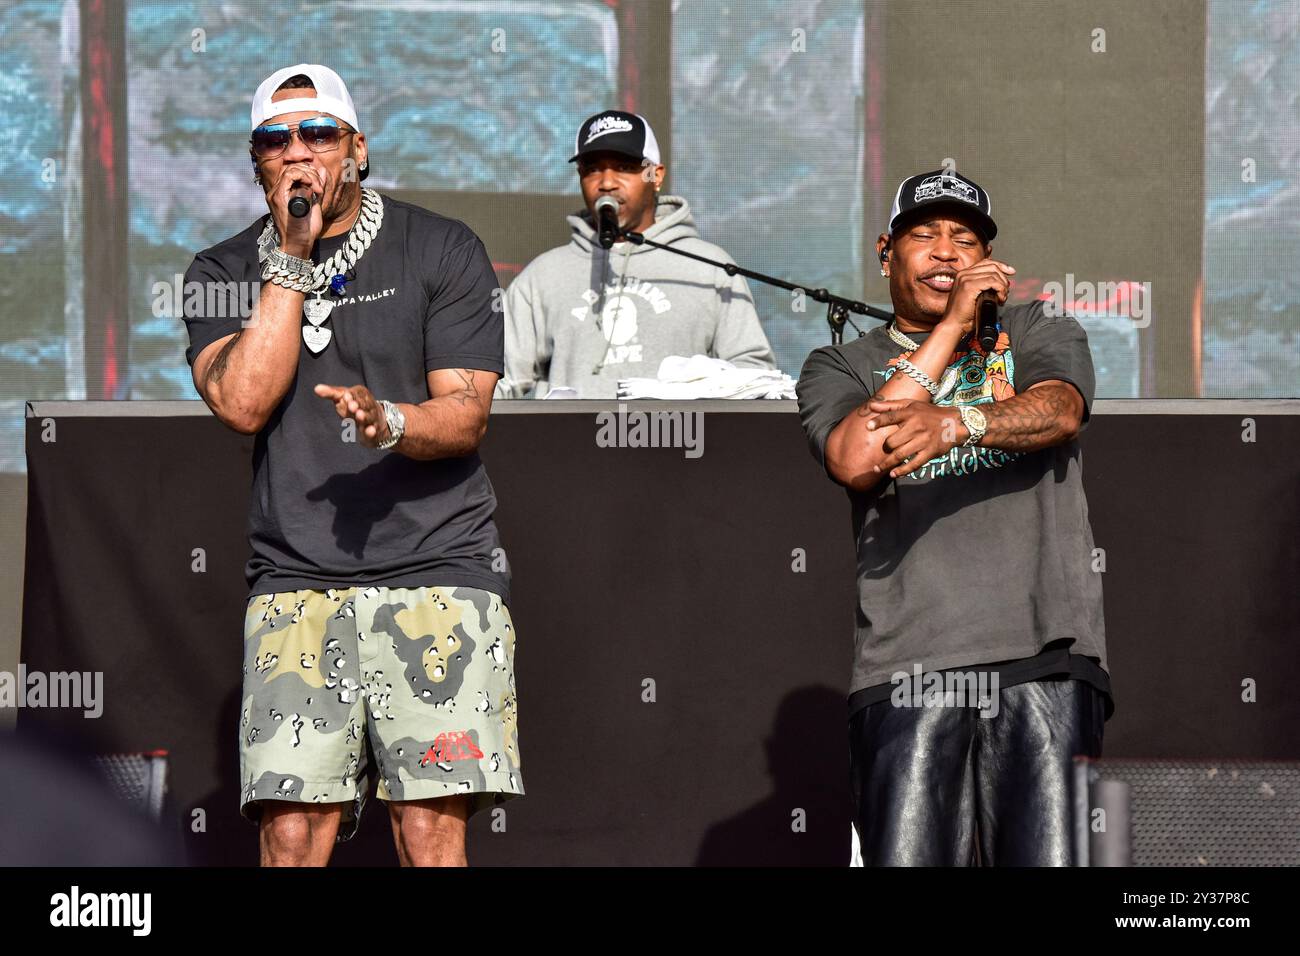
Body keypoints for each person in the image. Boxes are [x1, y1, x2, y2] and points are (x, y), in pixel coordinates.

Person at [180, 63, 521, 866]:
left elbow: (466, 413)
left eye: (318, 133)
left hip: (437, 568)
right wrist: (291, 258)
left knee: (429, 829)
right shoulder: (221, 272)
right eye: (276, 139)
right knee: (293, 834)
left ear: (358, 148)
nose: (298, 152)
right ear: (256, 162)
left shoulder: (441, 247)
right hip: (296, 578)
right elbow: (242, 403)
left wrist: (390, 421)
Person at [796, 169, 1112, 866]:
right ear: (886, 253)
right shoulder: (841, 365)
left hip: (1044, 658)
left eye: (965, 239)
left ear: (990, 261)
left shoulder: (1035, 328)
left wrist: (958, 422)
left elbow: (1060, 411)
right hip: (908, 667)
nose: (946, 252)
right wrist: (944, 337)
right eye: (926, 235)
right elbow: (856, 458)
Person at [496, 109, 776, 398]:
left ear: (656, 175)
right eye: (592, 169)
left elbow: (754, 375)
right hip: (570, 441)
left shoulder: (711, 267)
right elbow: (497, 381)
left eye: (623, 167)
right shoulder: (544, 275)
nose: (606, 182)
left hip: (682, 441)